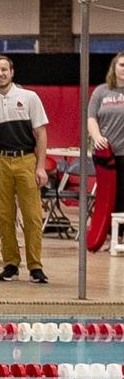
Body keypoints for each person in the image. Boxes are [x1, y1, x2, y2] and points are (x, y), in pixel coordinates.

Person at [0, 54, 49, 284]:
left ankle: (35, 266)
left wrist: (40, 167)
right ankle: (10, 264)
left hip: (26, 160)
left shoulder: (30, 97)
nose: (0, 74)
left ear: (12, 72)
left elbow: (40, 134)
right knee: (5, 216)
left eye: (3, 70)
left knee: (32, 216)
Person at [88, 54, 124, 254]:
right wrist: (97, 137)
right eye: (121, 65)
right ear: (114, 67)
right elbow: (91, 117)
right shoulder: (101, 91)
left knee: (123, 196)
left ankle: (120, 237)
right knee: (106, 196)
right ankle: (108, 236)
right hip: (105, 153)